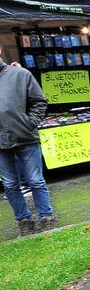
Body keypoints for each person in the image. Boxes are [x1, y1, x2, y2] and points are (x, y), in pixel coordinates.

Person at [0, 59, 56, 234]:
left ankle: (46, 216)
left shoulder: (21, 74)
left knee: (35, 180)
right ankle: (23, 220)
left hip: (24, 136)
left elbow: (39, 102)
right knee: (9, 184)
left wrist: (29, 123)